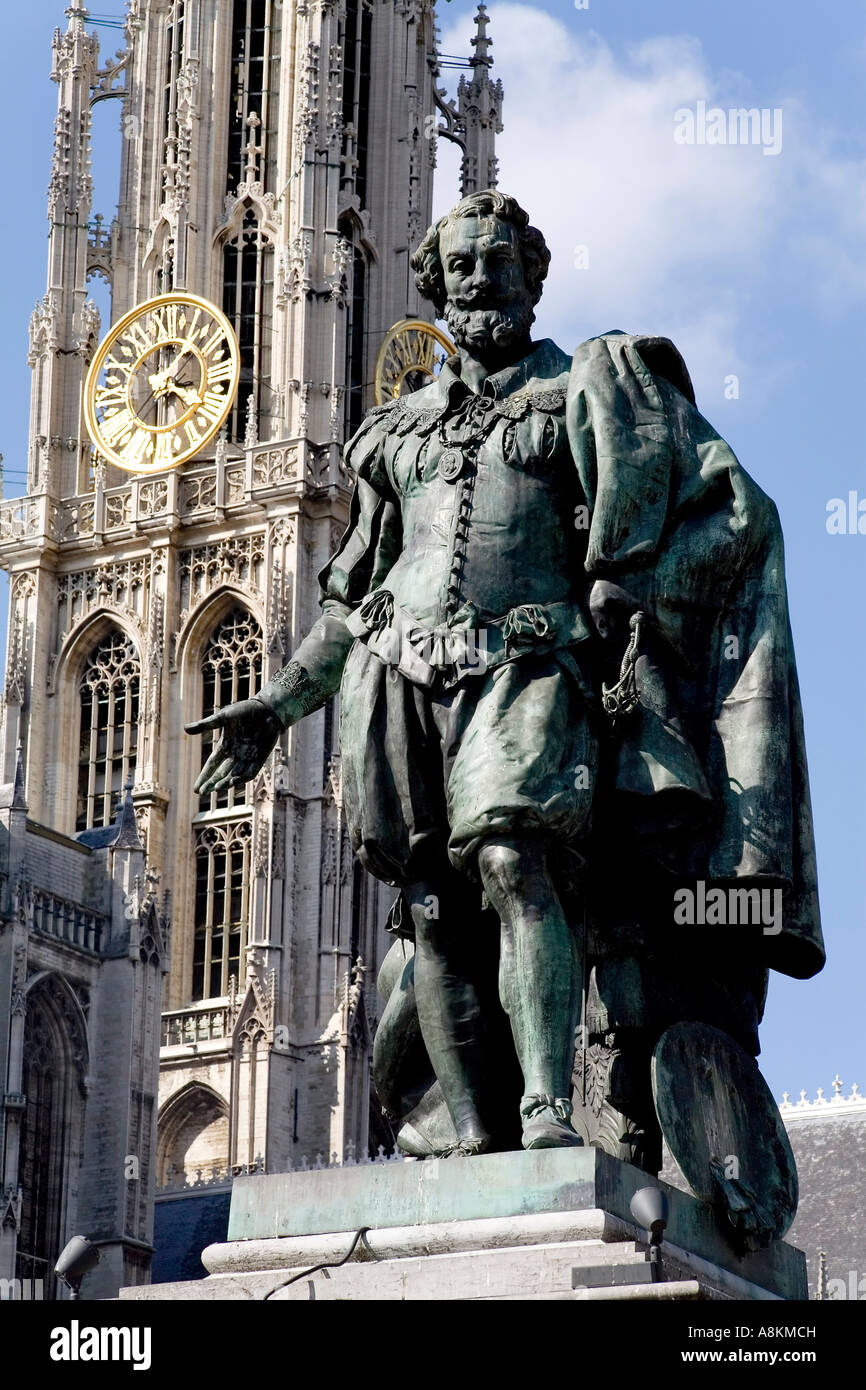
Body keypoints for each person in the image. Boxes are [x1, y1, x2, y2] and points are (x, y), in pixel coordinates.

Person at [187, 191, 824, 1165]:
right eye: (464, 263)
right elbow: (353, 597)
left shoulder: (582, 393)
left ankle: (542, 1108)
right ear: (435, 285)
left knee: (511, 860)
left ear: (533, 278)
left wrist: (638, 604)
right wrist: (279, 703)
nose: (482, 278)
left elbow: (724, 506)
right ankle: (474, 1136)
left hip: (529, 666)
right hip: (401, 679)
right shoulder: (393, 434)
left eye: (501, 261)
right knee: (434, 908)